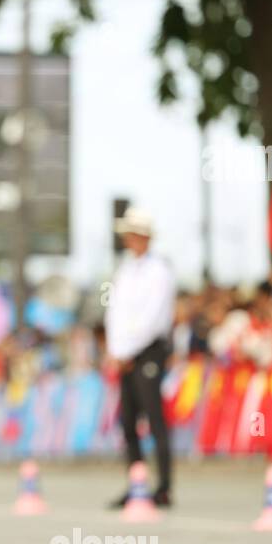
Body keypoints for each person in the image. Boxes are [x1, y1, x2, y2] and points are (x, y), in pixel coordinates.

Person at [104, 207, 176, 508]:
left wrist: (128, 350)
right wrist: (116, 351)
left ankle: (164, 486)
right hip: (124, 354)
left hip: (147, 350)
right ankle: (136, 480)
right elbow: (115, 314)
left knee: (154, 417)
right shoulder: (124, 270)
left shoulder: (159, 270)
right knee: (128, 420)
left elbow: (154, 317)